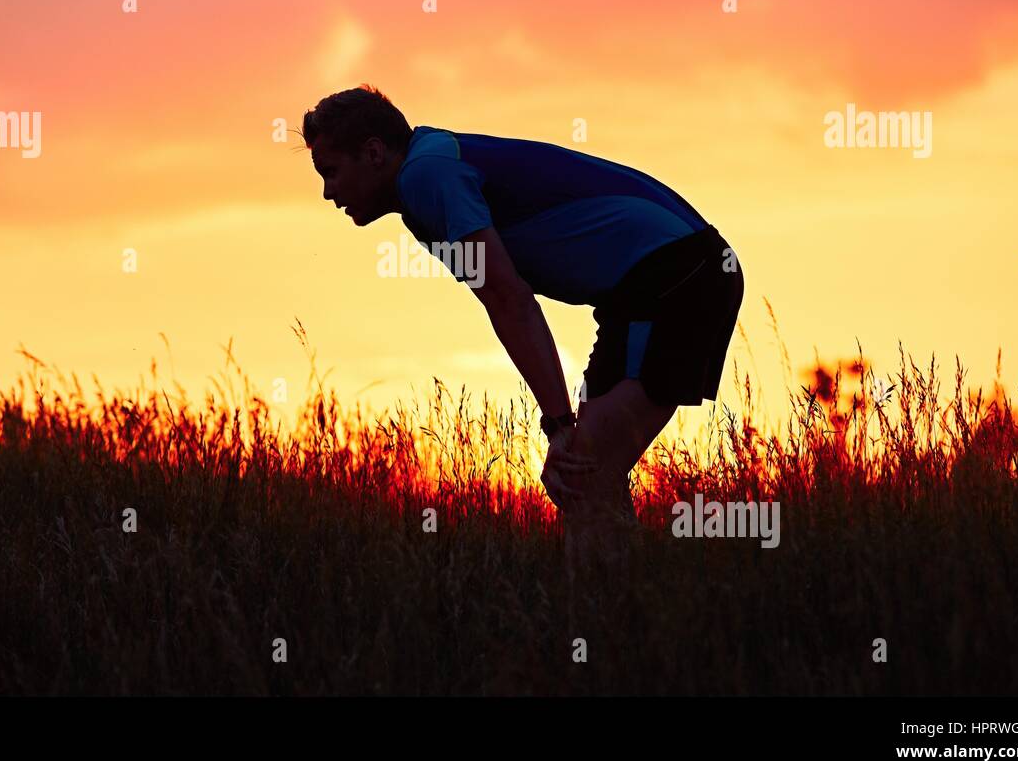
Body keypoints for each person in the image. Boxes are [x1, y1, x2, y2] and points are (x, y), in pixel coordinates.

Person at [302, 85, 744, 603]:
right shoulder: (426, 176)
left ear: (374, 153)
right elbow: (508, 298)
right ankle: (620, 621)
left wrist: (557, 423)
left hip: (680, 274)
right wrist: (560, 423)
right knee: (584, 476)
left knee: (584, 469)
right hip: (643, 288)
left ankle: (615, 630)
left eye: (330, 172)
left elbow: (509, 300)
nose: (329, 193)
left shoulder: (427, 177)